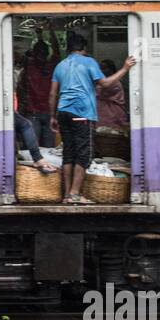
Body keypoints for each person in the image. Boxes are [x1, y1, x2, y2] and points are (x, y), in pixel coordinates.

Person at [49, 32, 135, 205]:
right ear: (84, 48)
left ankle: (67, 194)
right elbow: (105, 83)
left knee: (68, 154)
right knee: (83, 155)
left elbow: (52, 93)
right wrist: (125, 68)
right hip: (81, 113)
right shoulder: (88, 62)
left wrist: (52, 116)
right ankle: (74, 194)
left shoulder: (60, 65)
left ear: (69, 48)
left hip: (63, 112)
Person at [18, 20, 61, 146]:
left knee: (33, 149)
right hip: (48, 112)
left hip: (33, 112)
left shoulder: (29, 65)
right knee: (48, 148)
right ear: (47, 53)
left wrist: (40, 35)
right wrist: (50, 31)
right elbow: (57, 50)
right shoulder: (51, 66)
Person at [97, 58, 130, 130]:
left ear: (111, 69)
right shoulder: (102, 82)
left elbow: (101, 92)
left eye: (104, 68)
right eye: (100, 68)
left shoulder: (114, 83)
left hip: (112, 114)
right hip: (102, 114)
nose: (101, 71)